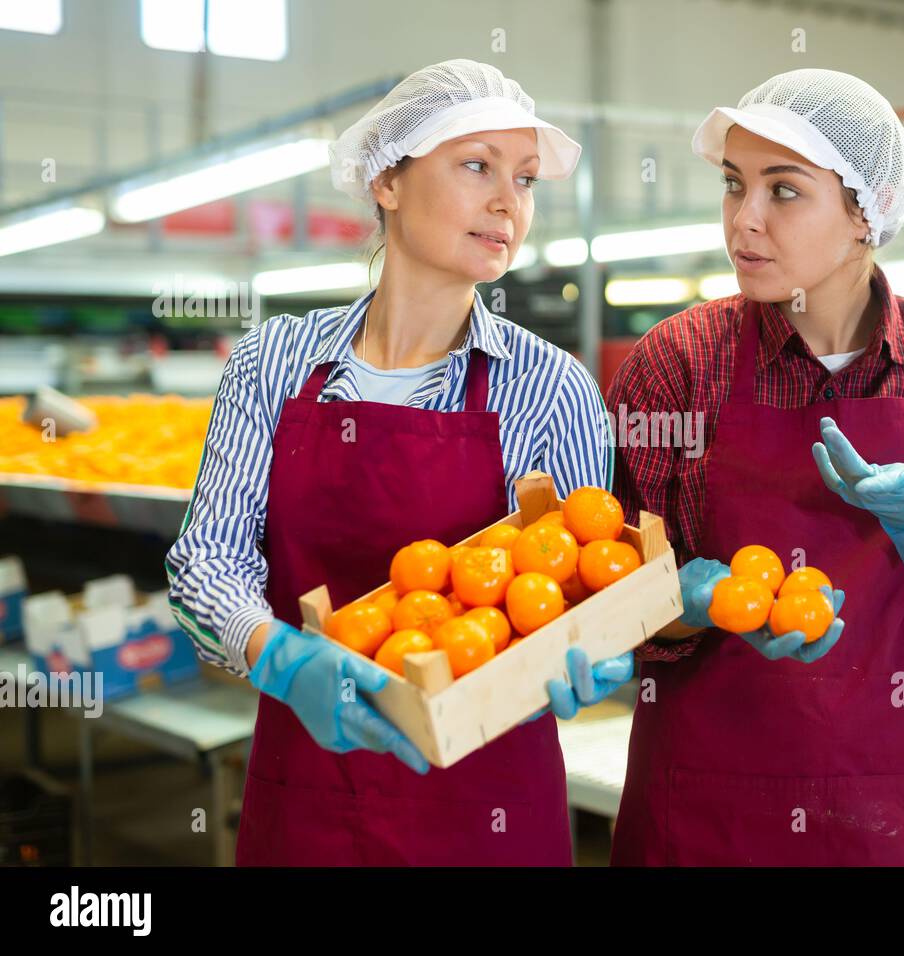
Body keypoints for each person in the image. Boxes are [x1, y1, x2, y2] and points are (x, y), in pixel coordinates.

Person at [165, 60, 631, 866]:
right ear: (386, 180)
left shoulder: (553, 387)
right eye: (476, 165)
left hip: (484, 801)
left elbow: (580, 581)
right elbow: (204, 562)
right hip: (305, 780)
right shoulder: (272, 362)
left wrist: (595, 646)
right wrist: (273, 653)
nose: (507, 204)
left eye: (524, 180)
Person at [606, 68, 904, 865]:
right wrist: (691, 602)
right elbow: (613, 618)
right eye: (733, 185)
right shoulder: (679, 364)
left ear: (865, 213)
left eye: (784, 191)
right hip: (710, 810)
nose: (743, 221)